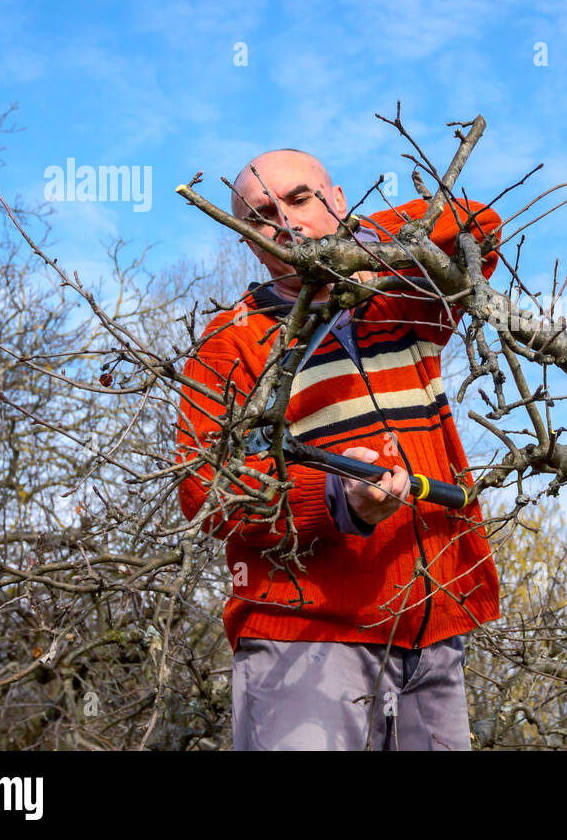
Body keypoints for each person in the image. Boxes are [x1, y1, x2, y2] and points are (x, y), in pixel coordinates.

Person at [174, 148, 502, 750]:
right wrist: (333, 499)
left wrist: (354, 251)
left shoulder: (404, 297)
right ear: (247, 240)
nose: (287, 224)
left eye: (301, 199)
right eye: (262, 216)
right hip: (304, 645)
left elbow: (475, 221)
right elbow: (205, 490)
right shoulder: (229, 342)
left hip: (434, 639)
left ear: (340, 201)